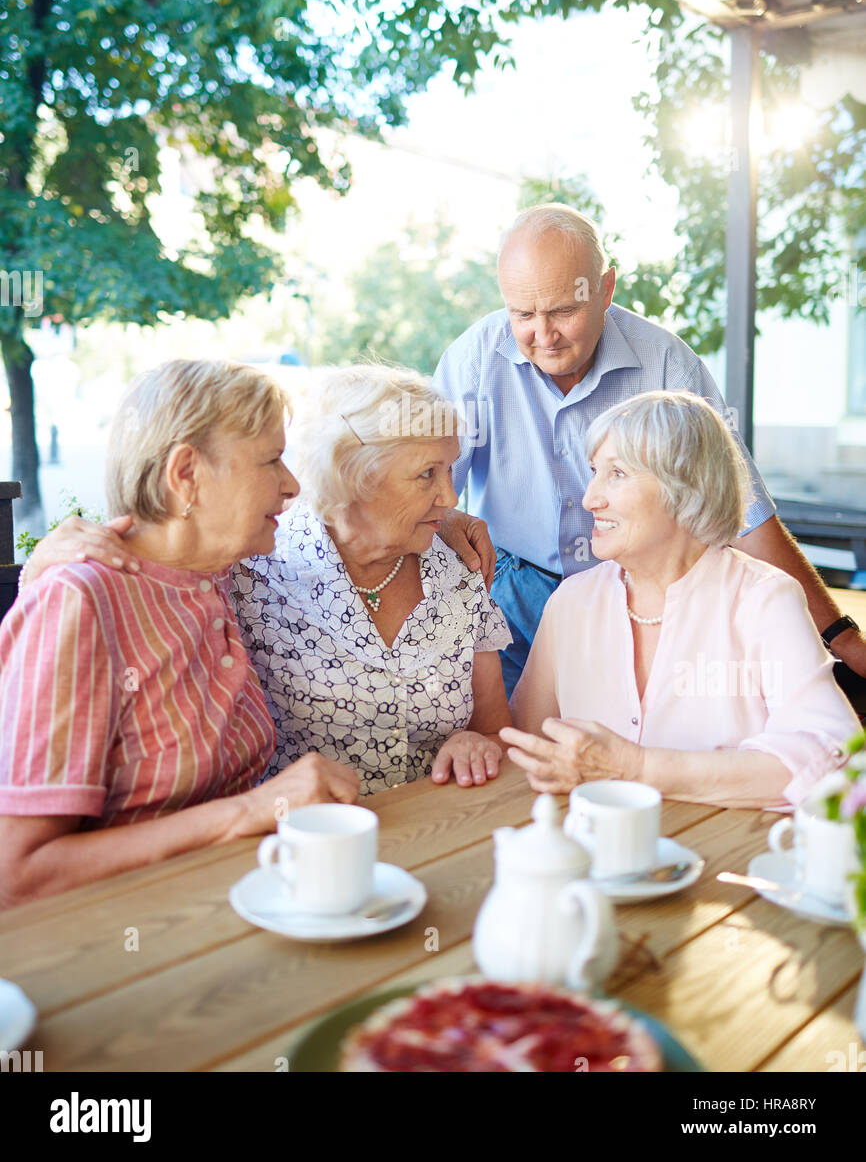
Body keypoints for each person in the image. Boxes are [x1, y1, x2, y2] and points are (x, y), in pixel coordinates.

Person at [434, 203, 866, 697]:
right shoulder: (473, 358)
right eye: (523, 314)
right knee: (511, 746)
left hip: (633, 594)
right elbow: (428, 485)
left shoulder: (666, 364)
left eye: (563, 311)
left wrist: (840, 637)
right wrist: (447, 518)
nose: (544, 335)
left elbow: (745, 518)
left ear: (606, 288)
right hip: (509, 589)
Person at [23, 365, 513, 799]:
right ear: (351, 477)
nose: (450, 495)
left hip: (425, 832)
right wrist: (46, 568)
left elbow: (495, 730)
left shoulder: (455, 564)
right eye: (426, 474)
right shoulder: (245, 565)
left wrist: (435, 516)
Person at [0, 361, 358, 908]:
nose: (291, 484)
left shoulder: (215, 570)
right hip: (122, 941)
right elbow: (17, 875)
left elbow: (352, 516)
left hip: (236, 904)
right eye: (271, 460)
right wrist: (254, 809)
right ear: (186, 473)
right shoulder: (80, 601)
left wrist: (445, 520)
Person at [501, 391, 860, 810]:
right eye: (595, 471)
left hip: (727, 859)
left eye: (616, 474)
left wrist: (636, 768)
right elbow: (529, 749)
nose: (589, 498)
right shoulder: (573, 602)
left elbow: (833, 763)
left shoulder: (764, 599)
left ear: (687, 486)